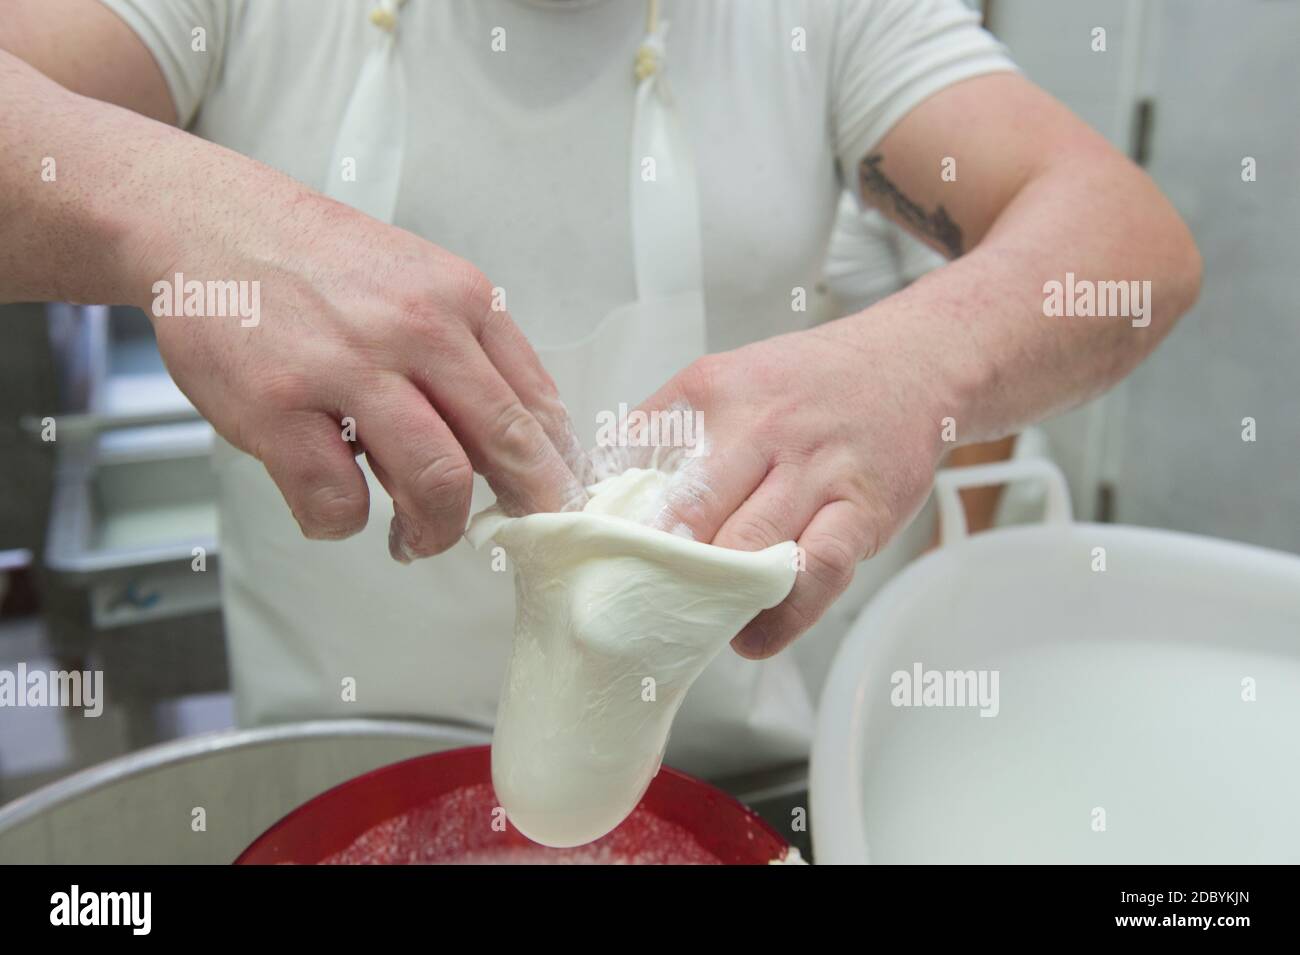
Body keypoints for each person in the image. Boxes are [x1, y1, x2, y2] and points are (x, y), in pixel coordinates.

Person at [0, 0, 1201, 778]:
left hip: (735, 775)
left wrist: (918, 361)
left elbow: (1129, 242)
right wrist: (174, 215)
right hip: (336, 766)